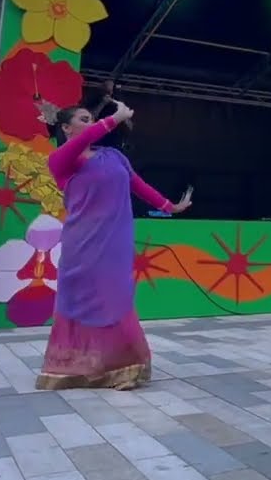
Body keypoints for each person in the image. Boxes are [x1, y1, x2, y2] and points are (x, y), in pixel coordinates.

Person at [37, 100, 191, 390]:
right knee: (79, 303)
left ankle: (122, 367)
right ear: (67, 128)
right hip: (82, 244)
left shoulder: (114, 156)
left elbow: (138, 185)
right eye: (84, 119)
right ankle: (74, 368)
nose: (90, 123)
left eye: (91, 118)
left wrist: (170, 206)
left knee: (115, 299)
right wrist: (115, 118)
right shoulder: (61, 159)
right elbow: (86, 138)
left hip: (115, 242)